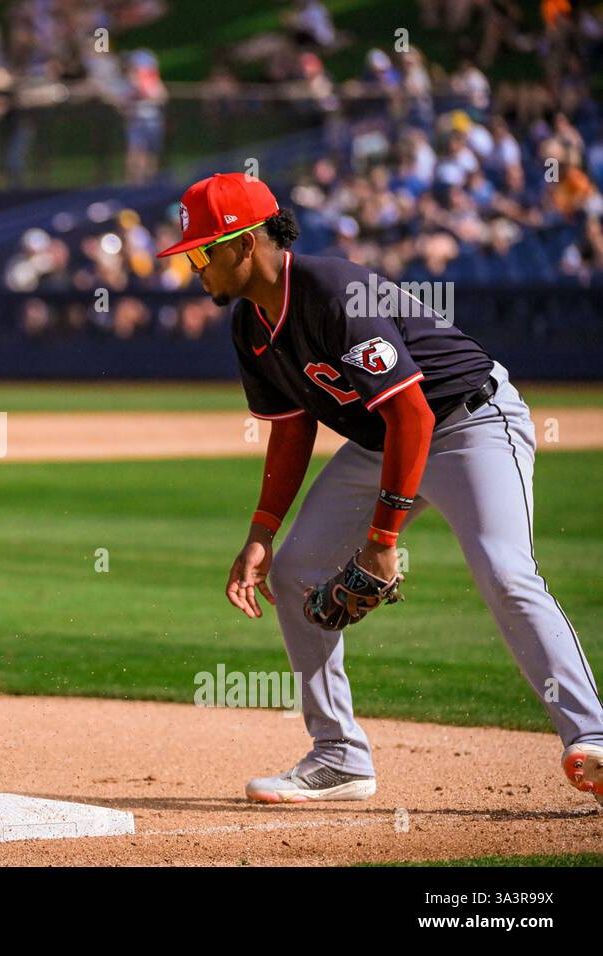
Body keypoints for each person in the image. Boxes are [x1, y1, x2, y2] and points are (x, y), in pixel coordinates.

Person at [158, 171, 603, 804]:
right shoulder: (249, 326)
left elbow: (414, 413)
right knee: (296, 571)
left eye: (200, 252)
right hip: (380, 443)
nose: (192, 267)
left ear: (245, 243)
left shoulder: (335, 292)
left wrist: (382, 540)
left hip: (469, 422)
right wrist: (261, 534)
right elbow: (291, 429)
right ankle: (338, 755)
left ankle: (593, 737)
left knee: (505, 571)